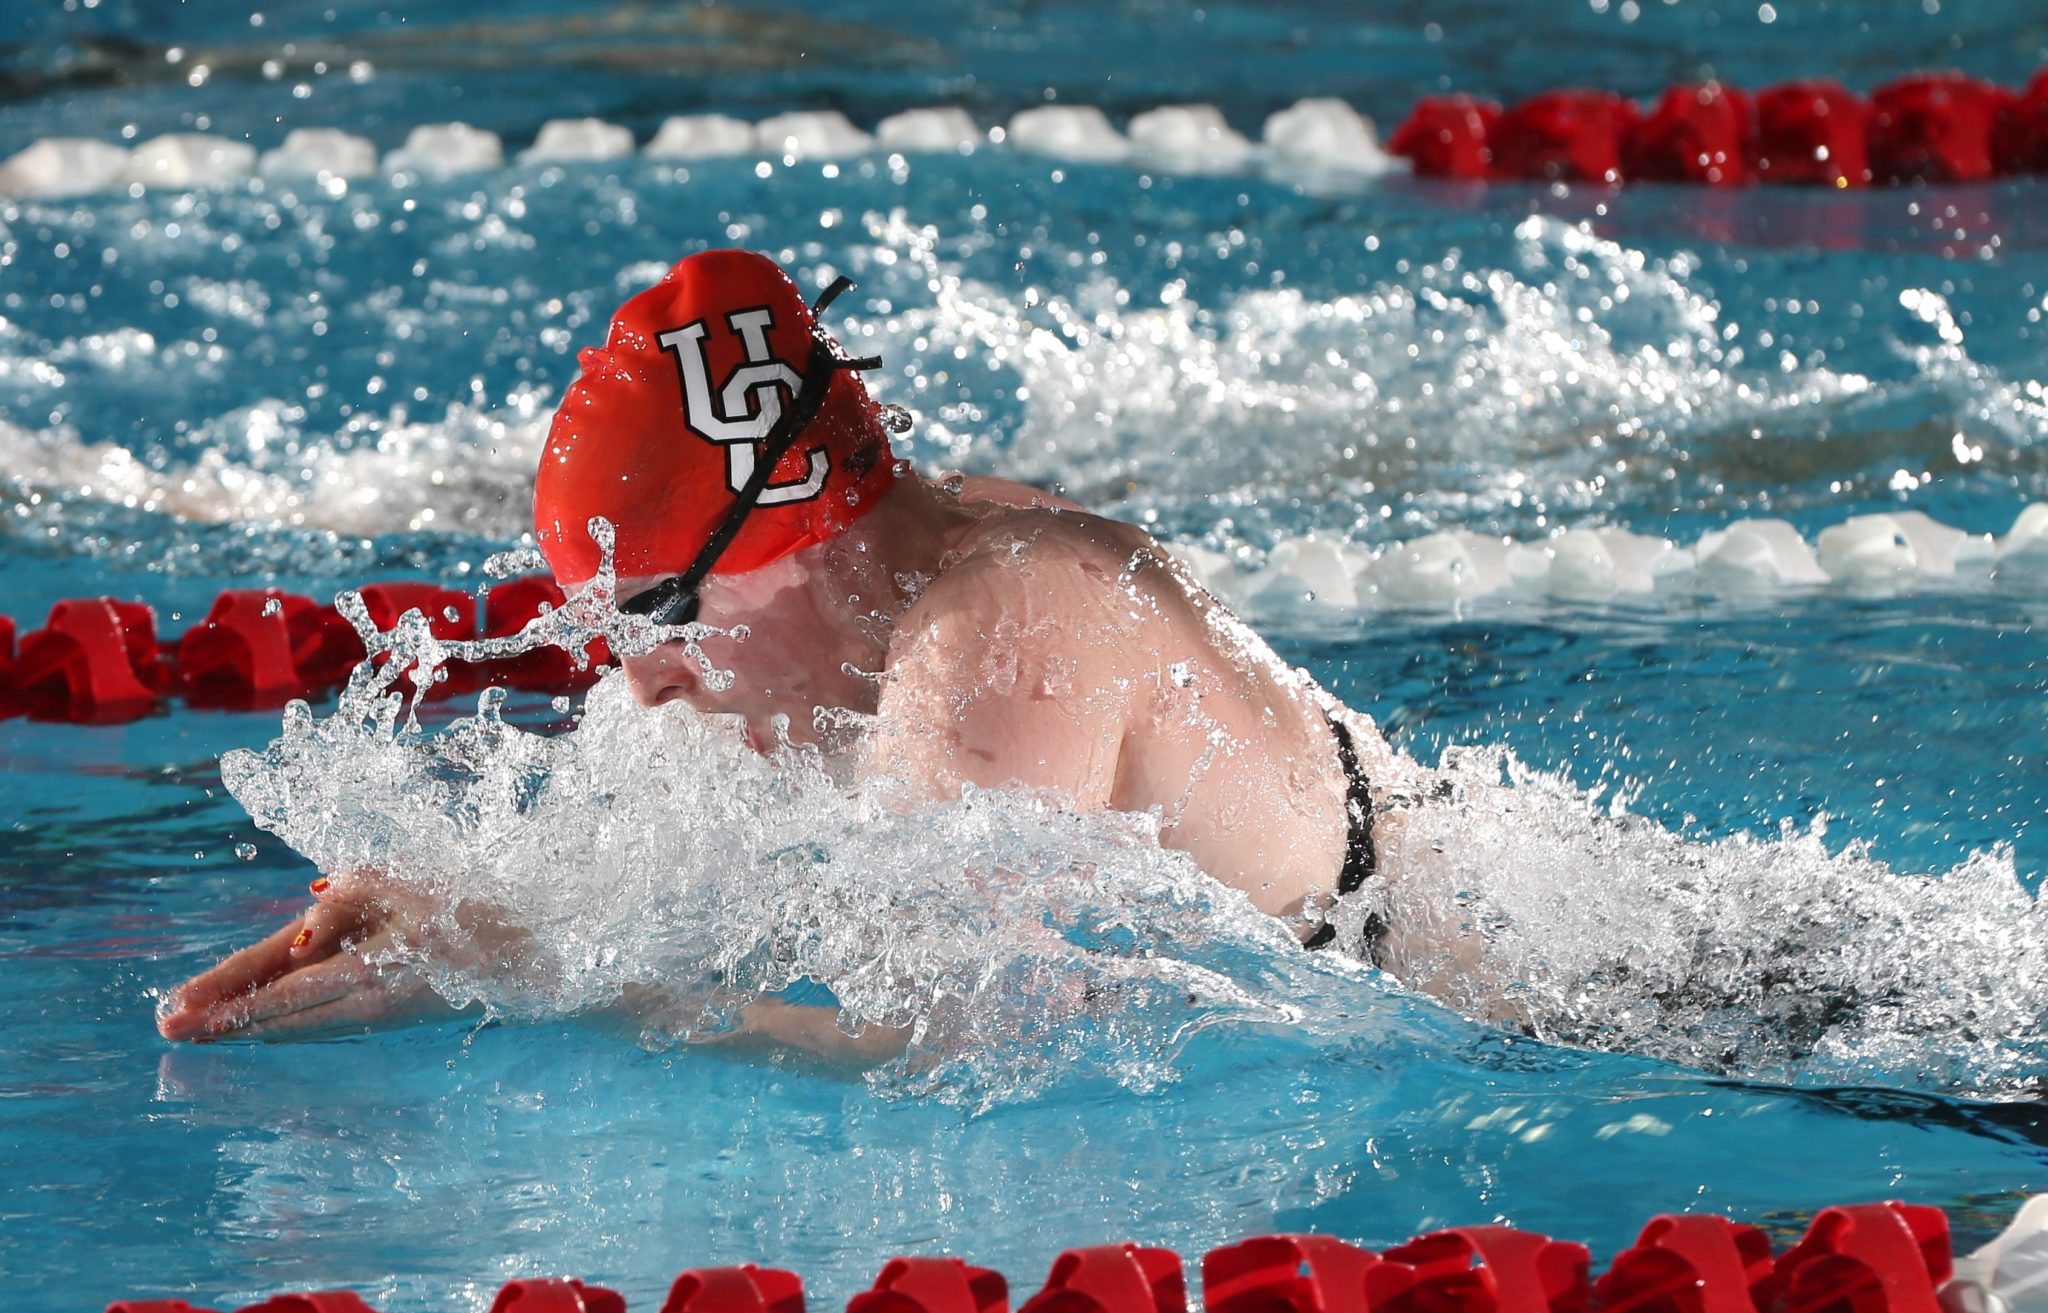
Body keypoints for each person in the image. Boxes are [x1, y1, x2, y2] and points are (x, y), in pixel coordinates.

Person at [157, 249, 1413, 1049]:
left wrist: (529, 983)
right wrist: (463, 919)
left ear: (800, 537)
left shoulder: (1000, 629)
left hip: (1512, 1000)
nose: (639, 681)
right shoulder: (901, 575)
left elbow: (963, 1052)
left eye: (655, 612)